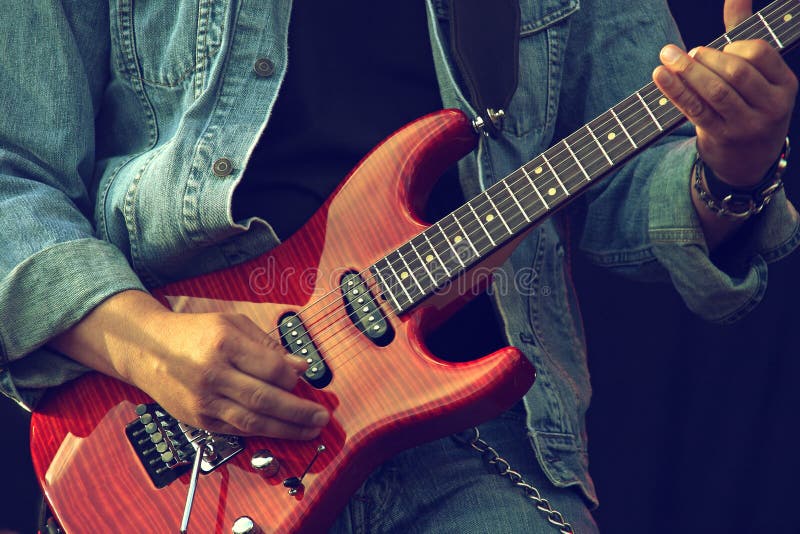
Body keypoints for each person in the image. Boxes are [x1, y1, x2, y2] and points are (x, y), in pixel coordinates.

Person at [0, 0, 797, 532]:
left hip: (472, 436)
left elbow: (626, 187)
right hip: (172, 421)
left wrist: (732, 166)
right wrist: (145, 340)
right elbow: (11, 174)